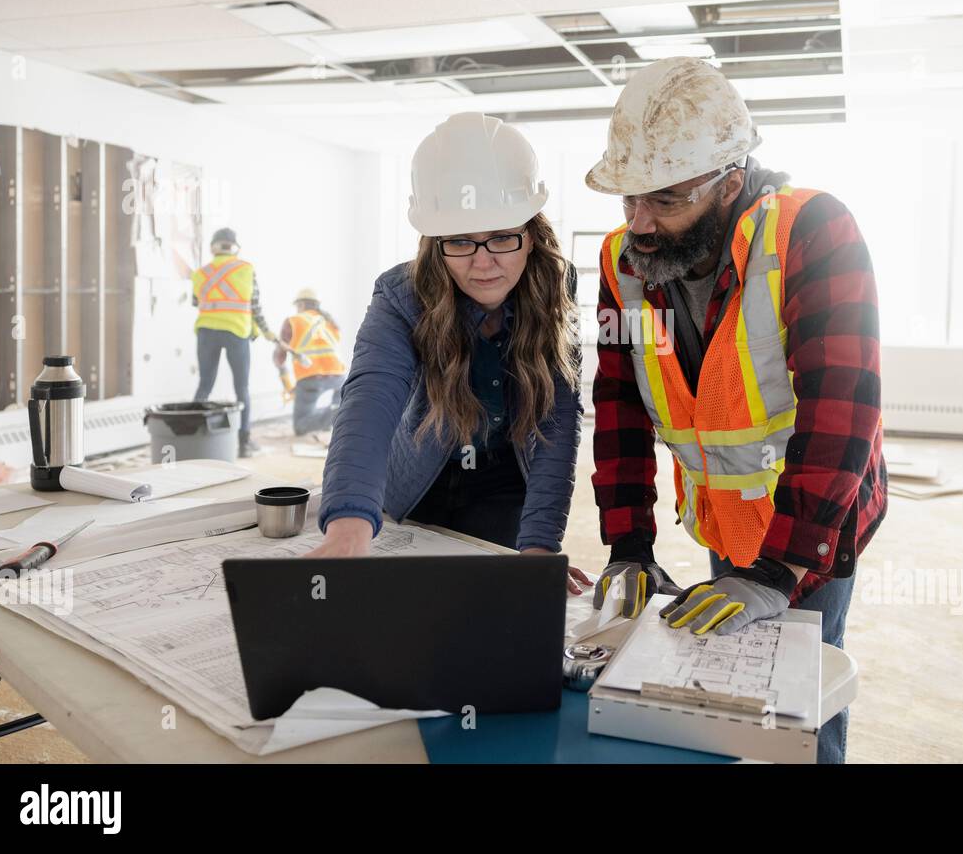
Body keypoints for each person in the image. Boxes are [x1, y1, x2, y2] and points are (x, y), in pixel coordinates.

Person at [586, 57, 888, 763]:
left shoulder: (814, 231)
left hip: (813, 530)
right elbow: (619, 407)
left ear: (730, 182)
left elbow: (842, 414)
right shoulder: (623, 265)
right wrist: (629, 542)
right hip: (725, 519)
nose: (640, 224)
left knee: (800, 709)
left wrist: (778, 572)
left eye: (664, 200)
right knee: (731, 698)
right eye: (628, 199)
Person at [308, 113, 589, 594]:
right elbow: (369, 399)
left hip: (505, 486)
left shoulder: (555, 285)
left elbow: (557, 417)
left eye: (502, 237)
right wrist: (351, 521)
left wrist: (541, 547)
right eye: (460, 241)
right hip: (419, 482)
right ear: (434, 243)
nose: (483, 262)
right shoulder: (400, 295)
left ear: (532, 232)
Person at [191, 228, 276, 458]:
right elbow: (255, 306)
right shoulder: (245, 269)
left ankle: (192, 437)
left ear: (213, 246)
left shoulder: (200, 273)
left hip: (207, 332)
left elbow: (195, 301)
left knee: (205, 385)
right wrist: (266, 332)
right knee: (242, 388)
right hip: (236, 332)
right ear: (235, 246)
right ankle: (244, 443)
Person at [273, 288, 345, 439]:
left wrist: (287, 383)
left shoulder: (293, 321)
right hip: (339, 376)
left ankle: (337, 414)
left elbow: (279, 357)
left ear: (301, 305)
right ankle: (340, 413)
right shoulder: (330, 321)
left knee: (300, 425)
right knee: (336, 408)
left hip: (311, 377)